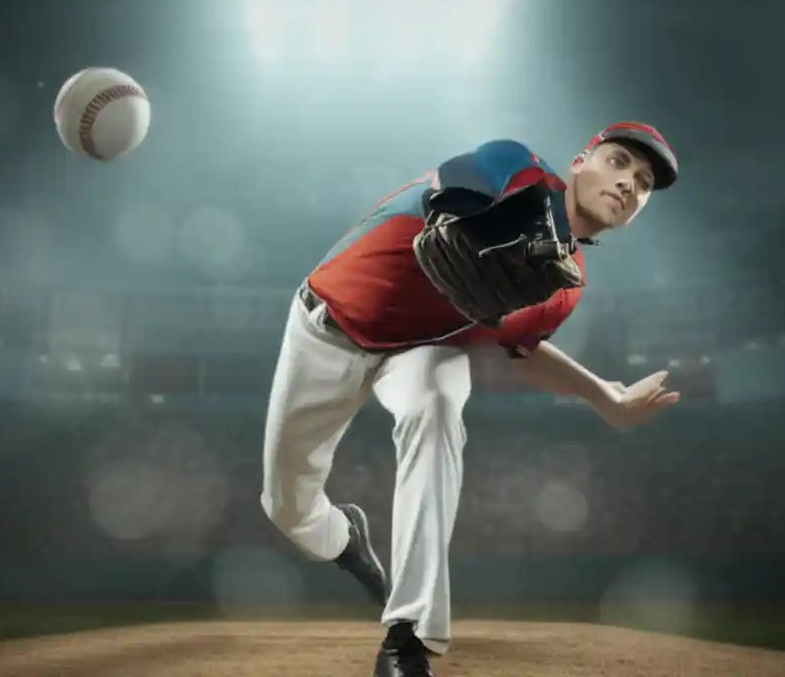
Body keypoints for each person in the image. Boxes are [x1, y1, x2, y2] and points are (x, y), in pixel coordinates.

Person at [260, 122, 683, 676]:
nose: (630, 183)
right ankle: (346, 541)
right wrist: (528, 227)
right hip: (325, 327)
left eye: (645, 183)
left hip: (417, 351)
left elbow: (519, 347)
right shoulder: (516, 168)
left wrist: (603, 395)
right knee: (287, 507)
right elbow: (452, 197)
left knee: (436, 406)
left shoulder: (565, 287)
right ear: (581, 162)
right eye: (620, 162)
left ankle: (409, 637)